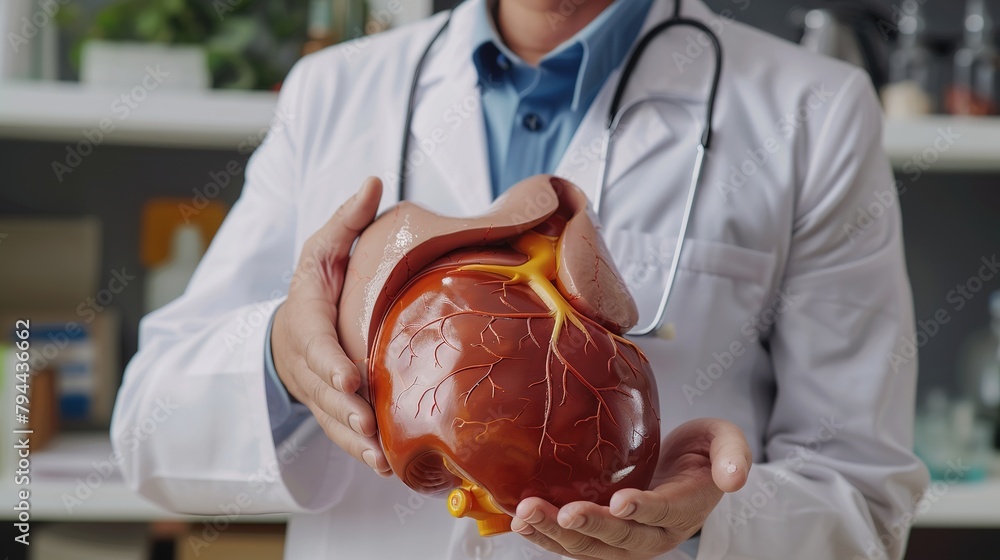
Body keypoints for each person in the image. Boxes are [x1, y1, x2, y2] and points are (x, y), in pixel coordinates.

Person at [111, 0, 930, 559]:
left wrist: (708, 522)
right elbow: (149, 427)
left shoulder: (814, 111)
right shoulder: (334, 93)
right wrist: (283, 361)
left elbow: (864, 497)